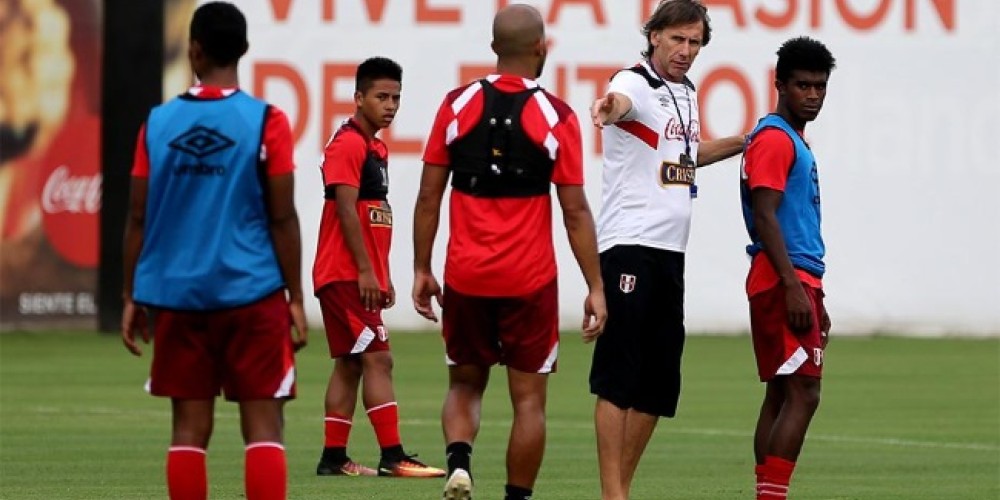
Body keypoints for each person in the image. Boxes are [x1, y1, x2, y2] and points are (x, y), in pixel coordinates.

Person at [412, 4, 607, 500]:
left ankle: (459, 462)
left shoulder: (456, 106)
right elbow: (576, 212)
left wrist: (421, 267)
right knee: (528, 403)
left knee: (464, 386)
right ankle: (516, 497)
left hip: (466, 277)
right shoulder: (557, 117)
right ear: (542, 48)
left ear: (494, 48)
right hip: (529, 282)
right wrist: (596, 287)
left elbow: (429, 196)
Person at [120, 3, 308, 500]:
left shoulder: (157, 124)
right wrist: (295, 297)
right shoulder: (267, 120)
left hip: (178, 298)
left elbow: (136, 217)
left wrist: (130, 294)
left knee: (188, 431)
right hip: (253, 292)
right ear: (244, 50)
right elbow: (282, 216)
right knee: (264, 427)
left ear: (194, 49)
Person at [587, 1, 746, 499]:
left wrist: (745, 140)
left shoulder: (686, 92)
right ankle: (613, 493)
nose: (686, 51)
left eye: (695, 42)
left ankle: (621, 489)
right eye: (677, 39)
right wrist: (607, 107)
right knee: (619, 376)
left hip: (670, 252)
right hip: (629, 246)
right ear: (653, 35)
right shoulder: (634, 82)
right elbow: (618, 103)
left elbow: (685, 159)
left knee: (658, 383)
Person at [312, 56, 445, 479]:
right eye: (381, 97)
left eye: (396, 98)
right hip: (345, 274)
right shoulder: (348, 143)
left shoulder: (375, 147)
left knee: (351, 363)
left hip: (355, 274)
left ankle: (334, 458)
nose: (390, 105)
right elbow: (347, 210)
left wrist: (381, 274)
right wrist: (367, 272)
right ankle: (394, 455)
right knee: (379, 359)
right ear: (358, 98)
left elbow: (372, 217)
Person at [739, 36, 836, 500]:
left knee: (781, 394)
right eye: (803, 86)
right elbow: (765, 214)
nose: (812, 95)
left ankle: (767, 493)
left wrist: (815, 294)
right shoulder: (776, 139)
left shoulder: (789, 138)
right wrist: (794, 287)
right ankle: (772, 495)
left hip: (793, 277)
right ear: (779, 85)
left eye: (820, 86)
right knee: (805, 394)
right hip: (784, 278)